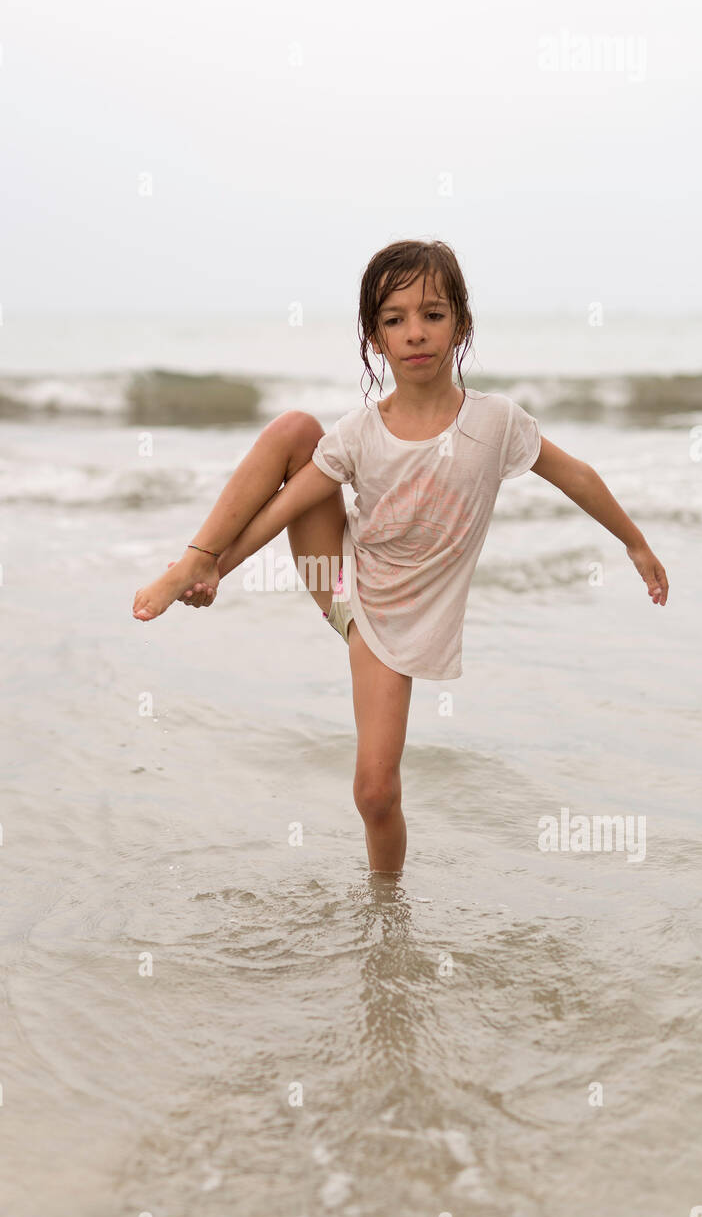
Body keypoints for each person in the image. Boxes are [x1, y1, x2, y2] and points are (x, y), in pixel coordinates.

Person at [133, 239, 668, 874]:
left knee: (375, 792)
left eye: (432, 315)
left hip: (412, 622)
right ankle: (191, 556)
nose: (415, 334)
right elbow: (285, 506)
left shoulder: (495, 423)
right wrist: (213, 566)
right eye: (394, 320)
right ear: (375, 337)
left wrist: (633, 541)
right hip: (344, 585)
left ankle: (387, 909)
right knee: (295, 431)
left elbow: (573, 473)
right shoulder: (362, 430)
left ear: (461, 324)